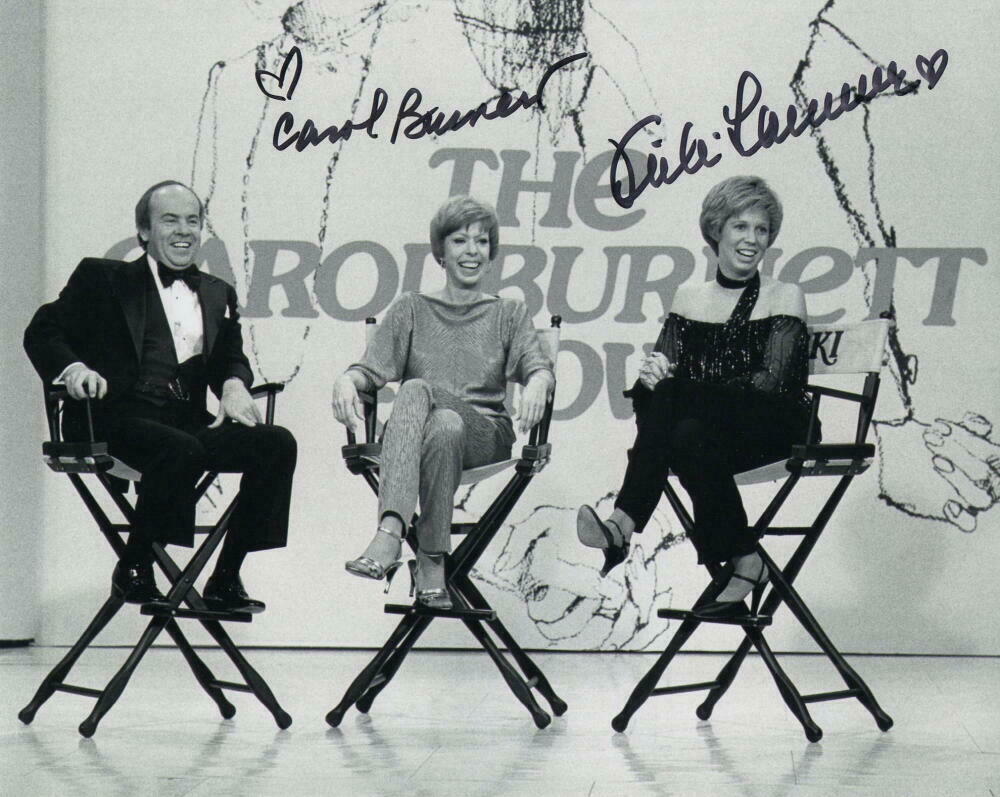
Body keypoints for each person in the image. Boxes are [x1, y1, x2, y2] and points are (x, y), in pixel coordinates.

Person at [23, 181, 297, 611]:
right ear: (144, 231)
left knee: (275, 443)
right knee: (180, 449)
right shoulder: (102, 278)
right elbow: (43, 330)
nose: (183, 230)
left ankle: (224, 578)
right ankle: (135, 565)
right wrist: (73, 369)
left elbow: (231, 357)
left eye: (193, 220)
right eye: (170, 220)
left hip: (182, 421)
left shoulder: (216, 291)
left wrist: (233, 383)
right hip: (111, 417)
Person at [577, 176, 814, 618]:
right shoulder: (688, 298)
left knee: (676, 401)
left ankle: (623, 523)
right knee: (682, 431)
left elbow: (773, 386)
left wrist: (672, 385)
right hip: (711, 433)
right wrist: (652, 376)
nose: (752, 240)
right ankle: (744, 556)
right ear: (716, 231)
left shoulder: (786, 295)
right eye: (740, 227)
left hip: (778, 427)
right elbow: (656, 391)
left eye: (761, 230)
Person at [331, 196, 554, 609]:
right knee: (445, 424)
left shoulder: (509, 311)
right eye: (459, 241)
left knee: (416, 389)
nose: (472, 251)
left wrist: (540, 379)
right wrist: (348, 378)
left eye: (482, 242)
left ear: (491, 252)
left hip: (486, 435)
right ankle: (432, 559)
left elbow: (536, 365)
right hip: (428, 436)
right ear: (441, 251)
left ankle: (390, 532)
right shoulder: (412, 308)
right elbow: (371, 369)